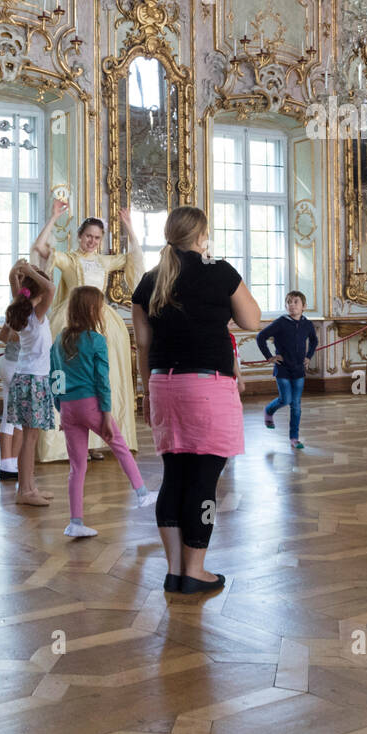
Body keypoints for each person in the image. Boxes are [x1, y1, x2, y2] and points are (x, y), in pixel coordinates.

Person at [132, 206, 262, 595]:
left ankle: (174, 570)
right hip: (208, 387)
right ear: (202, 235)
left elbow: (142, 345)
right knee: (205, 479)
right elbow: (253, 320)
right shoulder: (219, 270)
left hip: (163, 385)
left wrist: (146, 393)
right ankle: (196, 570)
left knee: (174, 477)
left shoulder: (149, 281)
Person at [31, 201, 143, 464]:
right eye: (88, 236)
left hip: (104, 321)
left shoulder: (104, 261)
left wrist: (129, 227)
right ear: (79, 236)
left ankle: (98, 441)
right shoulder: (68, 259)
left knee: (105, 379)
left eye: (97, 237)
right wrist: (53, 217)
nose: (92, 241)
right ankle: (66, 441)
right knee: (71, 380)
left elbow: (134, 257)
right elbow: (39, 248)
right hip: (71, 320)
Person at [51, 286, 155, 539]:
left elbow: (55, 376)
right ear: (91, 310)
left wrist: (60, 409)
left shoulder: (60, 339)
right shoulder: (96, 340)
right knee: (119, 445)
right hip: (91, 405)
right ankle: (142, 494)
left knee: (77, 467)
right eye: (99, 306)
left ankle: (76, 521)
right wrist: (106, 413)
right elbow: (102, 380)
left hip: (68, 408)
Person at [6, 260, 56, 507]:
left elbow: (20, 289)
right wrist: (29, 272)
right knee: (29, 438)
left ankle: (30, 487)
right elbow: (52, 288)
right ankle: (25, 491)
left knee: (31, 437)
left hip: (30, 379)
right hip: (33, 380)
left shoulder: (24, 310)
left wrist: (17, 274)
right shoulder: (36, 314)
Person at [258, 290, 317, 449]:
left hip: (298, 370)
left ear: (304, 306)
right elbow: (261, 337)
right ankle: (269, 411)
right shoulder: (281, 322)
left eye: (295, 302)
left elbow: (314, 341)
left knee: (296, 405)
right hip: (282, 369)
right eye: (289, 302)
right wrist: (269, 356)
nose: (292, 305)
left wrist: (309, 356)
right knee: (286, 399)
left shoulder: (307, 324)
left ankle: (294, 438)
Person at [0, 271, 22, 482]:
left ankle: (10, 464)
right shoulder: (29, 311)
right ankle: (9, 464)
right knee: (18, 419)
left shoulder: (13, 309)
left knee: (9, 416)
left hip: (7, 364)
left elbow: (2, 336)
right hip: (17, 368)